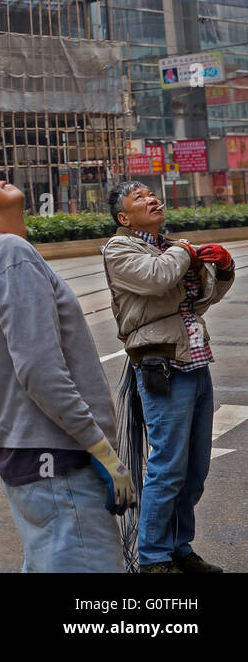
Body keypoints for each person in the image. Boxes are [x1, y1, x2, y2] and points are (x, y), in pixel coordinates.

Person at [0, 171, 131, 573]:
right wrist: (103, 452)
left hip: (38, 461)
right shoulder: (8, 252)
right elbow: (39, 371)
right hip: (60, 459)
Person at [101, 182, 233, 573]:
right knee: (169, 466)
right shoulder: (121, 249)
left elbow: (200, 300)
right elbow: (156, 279)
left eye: (152, 194)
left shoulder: (170, 247)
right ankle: (154, 557)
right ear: (124, 217)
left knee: (195, 469)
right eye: (140, 198)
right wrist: (185, 251)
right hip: (162, 365)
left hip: (195, 359)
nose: (152, 199)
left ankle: (179, 546)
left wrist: (222, 269)